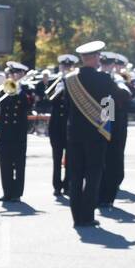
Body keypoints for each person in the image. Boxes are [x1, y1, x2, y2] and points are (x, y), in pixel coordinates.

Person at [63, 40, 115, 228]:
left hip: (74, 133)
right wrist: (108, 127)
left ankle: (77, 216)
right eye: (98, 56)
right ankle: (87, 215)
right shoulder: (104, 79)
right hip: (96, 133)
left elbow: (67, 107)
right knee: (93, 175)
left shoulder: (69, 80)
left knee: (75, 175)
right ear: (94, 58)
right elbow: (110, 106)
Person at [0, 61, 34, 203]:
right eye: (11, 73)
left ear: (23, 74)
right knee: (5, 163)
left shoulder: (27, 89)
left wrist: (20, 92)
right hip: (5, 131)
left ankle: (17, 193)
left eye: (15, 73)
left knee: (18, 163)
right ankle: (7, 192)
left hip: (18, 131)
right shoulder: (3, 87)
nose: (12, 75)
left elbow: (30, 104)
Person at [99, 53, 132, 208]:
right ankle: (99, 193)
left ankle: (108, 195)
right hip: (99, 119)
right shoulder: (96, 77)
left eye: (108, 64)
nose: (106, 67)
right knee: (99, 158)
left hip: (114, 121)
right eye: (104, 64)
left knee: (112, 156)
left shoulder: (117, 79)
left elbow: (126, 94)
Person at [48, 54, 76, 197]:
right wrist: (58, 88)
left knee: (70, 157)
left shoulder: (75, 82)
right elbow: (48, 101)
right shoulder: (54, 81)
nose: (66, 68)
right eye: (64, 66)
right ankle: (57, 186)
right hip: (56, 125)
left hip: (69, 123)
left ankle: (68, 184)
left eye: (68, 66)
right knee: (56, 157)